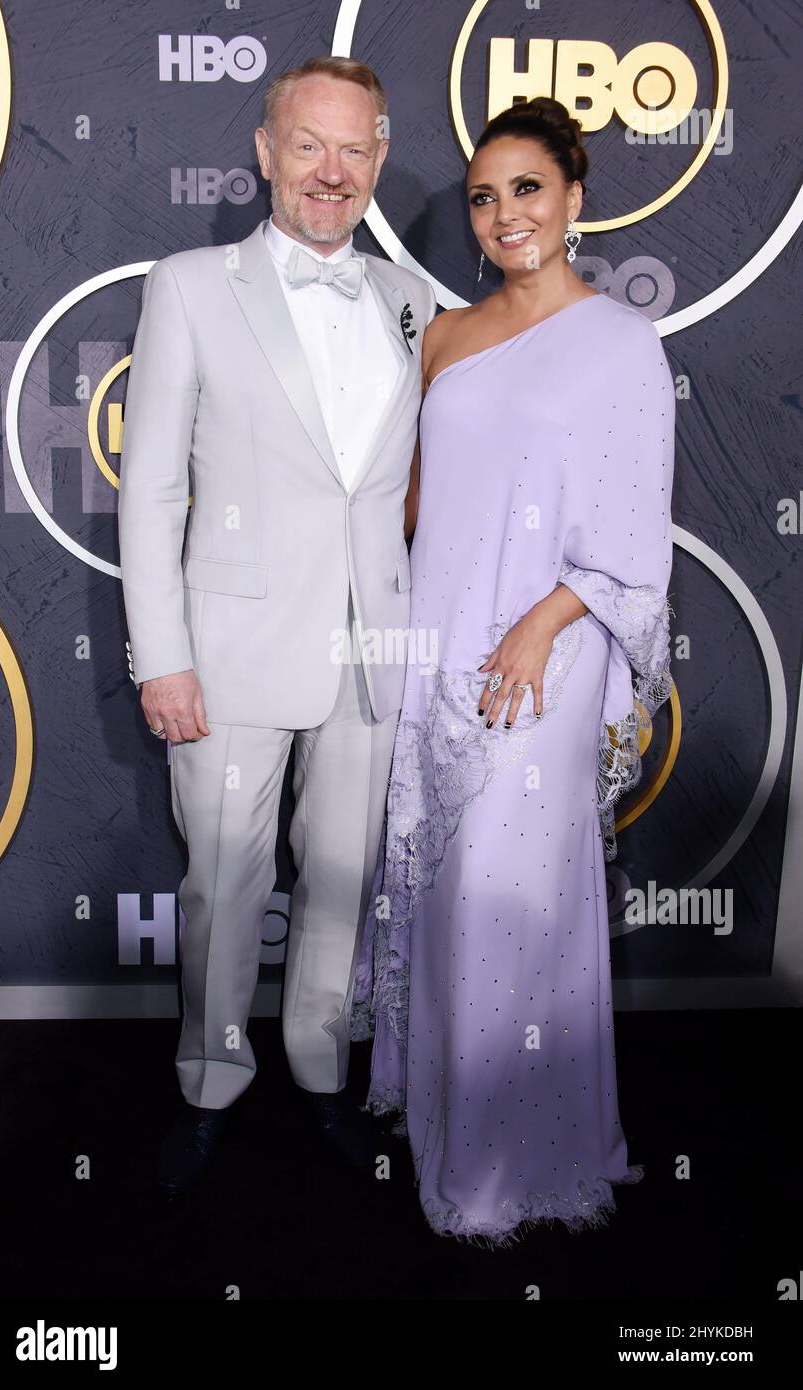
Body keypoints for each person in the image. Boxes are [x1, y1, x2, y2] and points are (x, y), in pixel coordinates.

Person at [351, 96, 676, 1246]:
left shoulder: (621, 342)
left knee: (508, 896)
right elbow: (412, 512)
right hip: (439, 644)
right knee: (446, 896)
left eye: (526, 188)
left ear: (575, 198)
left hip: (546, 647)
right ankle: (458, 1122)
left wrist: (542, 624)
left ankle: (499, 1168)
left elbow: (634, 533)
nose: (504, 214)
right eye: (485, 197)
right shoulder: (443, 336)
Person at [117, 56, 436, 1196]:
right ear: (265, 151)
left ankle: (319, 1073)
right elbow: (151, 487)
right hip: (231, 653)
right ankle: (210, 1081)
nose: (332, 171)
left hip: (371, 654)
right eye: (309, 145)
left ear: (381, 158)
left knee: (344, 882)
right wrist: (165, 658)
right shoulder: (192, 285)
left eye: (355, 149)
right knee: (222, 889)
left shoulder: (414, 300)